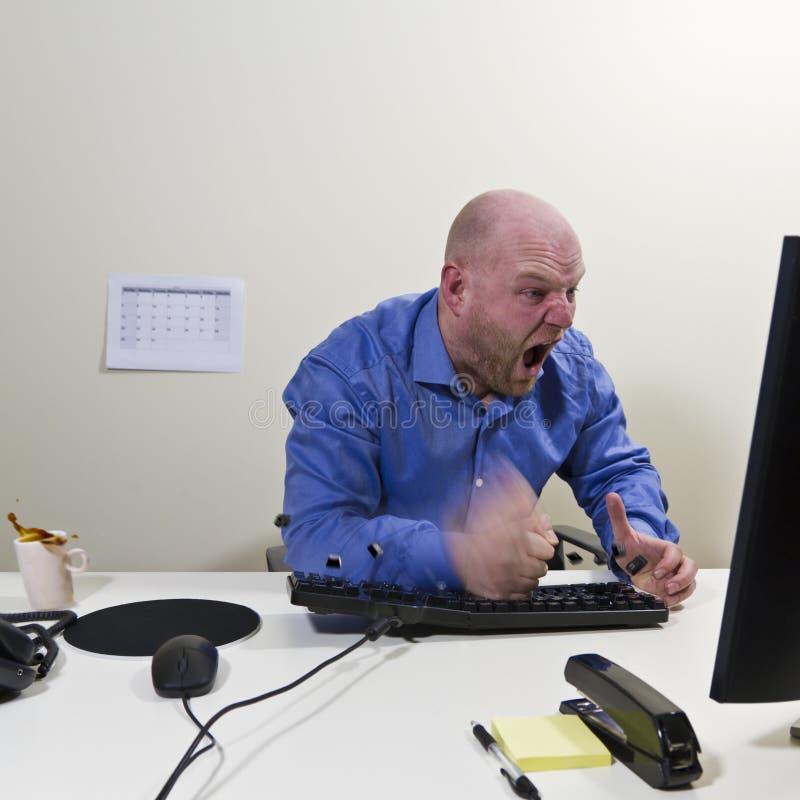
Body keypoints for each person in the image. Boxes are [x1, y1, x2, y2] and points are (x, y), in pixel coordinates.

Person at [280, 190, 697, 607]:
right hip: (381, 633)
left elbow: (616, 472)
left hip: (513, 631)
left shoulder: (572, 367)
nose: (565, 317)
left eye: (571, 291)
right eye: (534, 293)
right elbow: (318, 536)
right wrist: (456, 558)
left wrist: (639, 544)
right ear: (458, 288)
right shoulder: (350, 376)